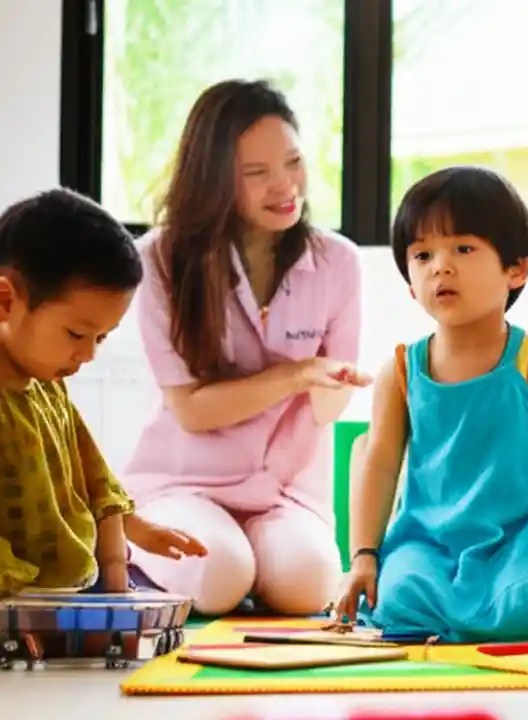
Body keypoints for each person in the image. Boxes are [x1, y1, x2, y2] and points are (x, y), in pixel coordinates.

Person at [124, 80, 369, 616]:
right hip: (183, 483)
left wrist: (334, 384)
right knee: (218, 575)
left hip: (283, 493)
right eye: (256, 174)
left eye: (293, 162)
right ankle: (150, 558)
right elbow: (192, 410)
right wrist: (298, 374)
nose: (285, 186)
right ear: (213, 181)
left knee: (309, 585)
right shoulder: (159, 260)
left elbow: (329, 408)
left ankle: (253, 566)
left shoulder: (339, 261)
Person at [333, 166, 528, 643]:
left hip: (521, 539)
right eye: (423, 255)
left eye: (463, 248)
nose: (441, 266)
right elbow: (378, 465)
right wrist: (364, 557)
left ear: (515, 268)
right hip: (429, 542)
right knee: (398, 599)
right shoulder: (401, 369)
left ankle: (471, 617)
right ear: (412, 285)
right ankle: (452, 614)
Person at [0, 189, 205, 596]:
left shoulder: (49, 388)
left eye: (102, 338)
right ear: (6, 301)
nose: (88, 355)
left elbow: (96, 483)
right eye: (76, 333)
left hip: (67, 588)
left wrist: (134, 535)